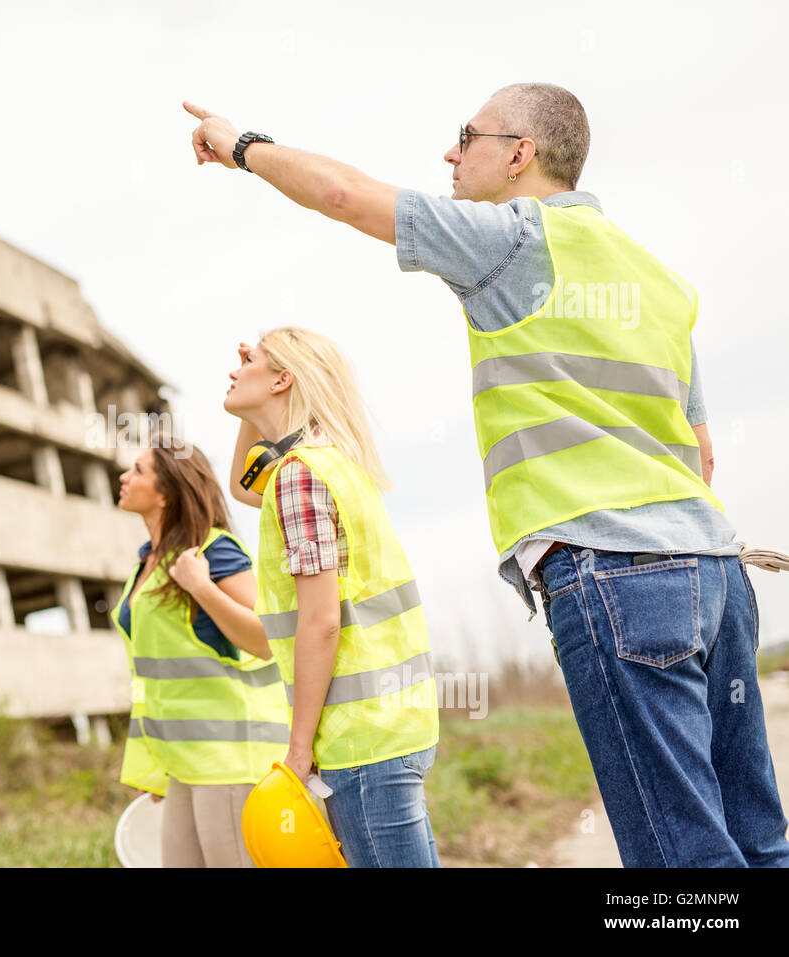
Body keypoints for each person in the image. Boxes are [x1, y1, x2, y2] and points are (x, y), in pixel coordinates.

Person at [184, 83, 789, 867]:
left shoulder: (510, 239)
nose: (449, 153)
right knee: (758, 842)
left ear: (519, 154)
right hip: (719, 575)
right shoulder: (660, 282)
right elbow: (700, 453)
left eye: (465, 136)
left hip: (615, 573)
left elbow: (342, 194)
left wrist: (240, 147)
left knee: (685, 863)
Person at [225, 328, 441, 868]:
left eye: (248, 361)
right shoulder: (329, 462)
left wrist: (299, 751)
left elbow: (320, 623)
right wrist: (256, 408)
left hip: (360, 742)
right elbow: (239, 487)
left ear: (282, 378)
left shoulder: (299, 477)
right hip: (394, 726)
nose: (233, 369)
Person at [111, 439, 288, 867]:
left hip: (230, 759)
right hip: (183, 762)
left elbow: (266, 639)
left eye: (137, 470)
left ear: (167, 491)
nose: (124, 477)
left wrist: (201, 586)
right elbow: (156, 679)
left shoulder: (213, 551)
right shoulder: (148, 562)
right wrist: (154, 766)